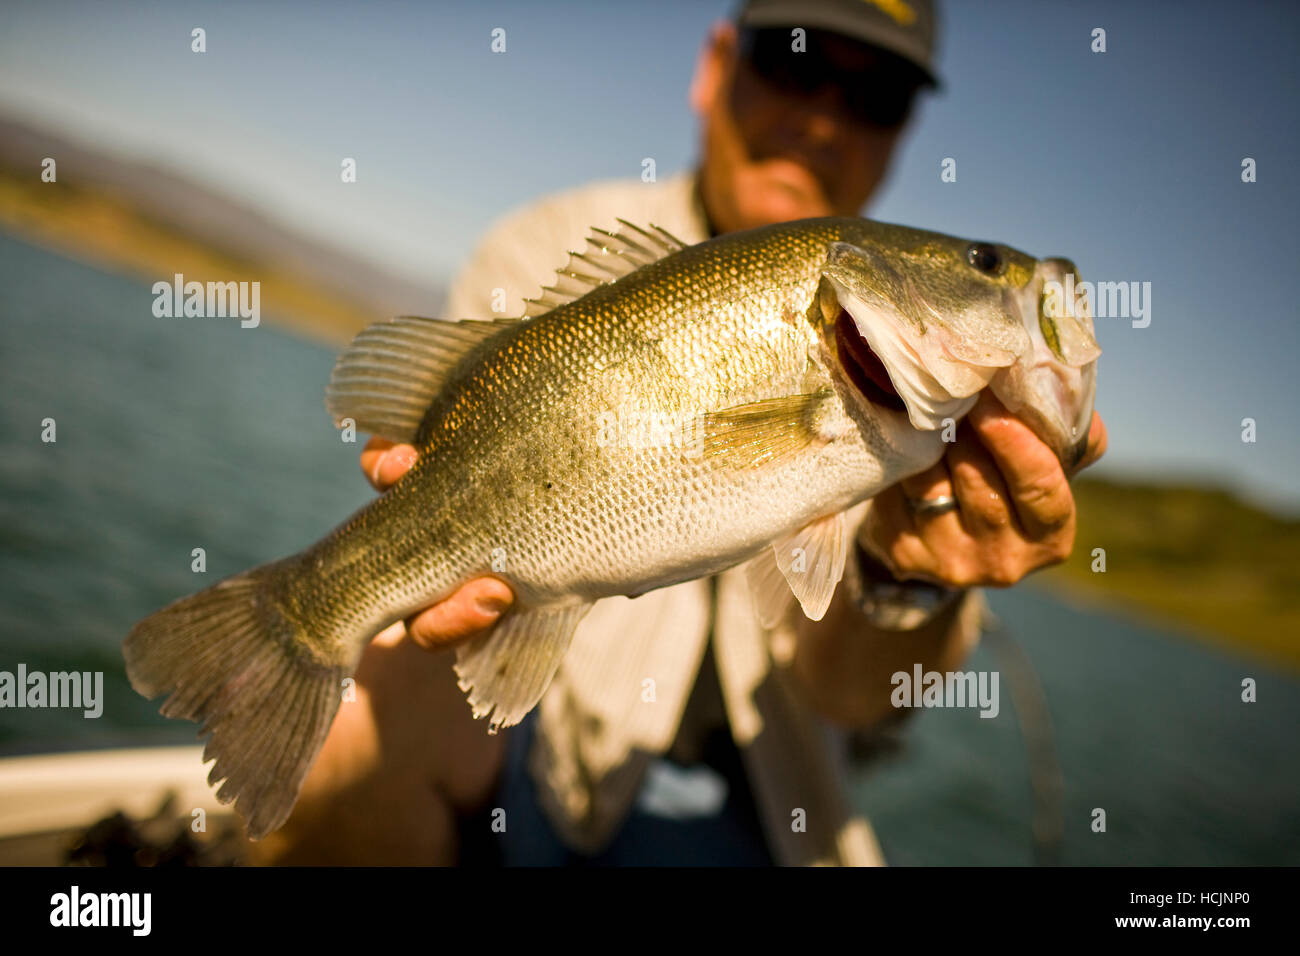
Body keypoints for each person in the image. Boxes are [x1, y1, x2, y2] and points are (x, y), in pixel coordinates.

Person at [252, 0, 1108, 866]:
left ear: (902, 135)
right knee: (357, 737)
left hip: (769, 802)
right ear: (715, 68)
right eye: (791, 63)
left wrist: (909, 572)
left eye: (876, 96)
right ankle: (296, 619)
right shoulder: (546, 243)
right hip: (535, 745)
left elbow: (857, 698)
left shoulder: (929, 427)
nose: (822, 120)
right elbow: (429, 462)